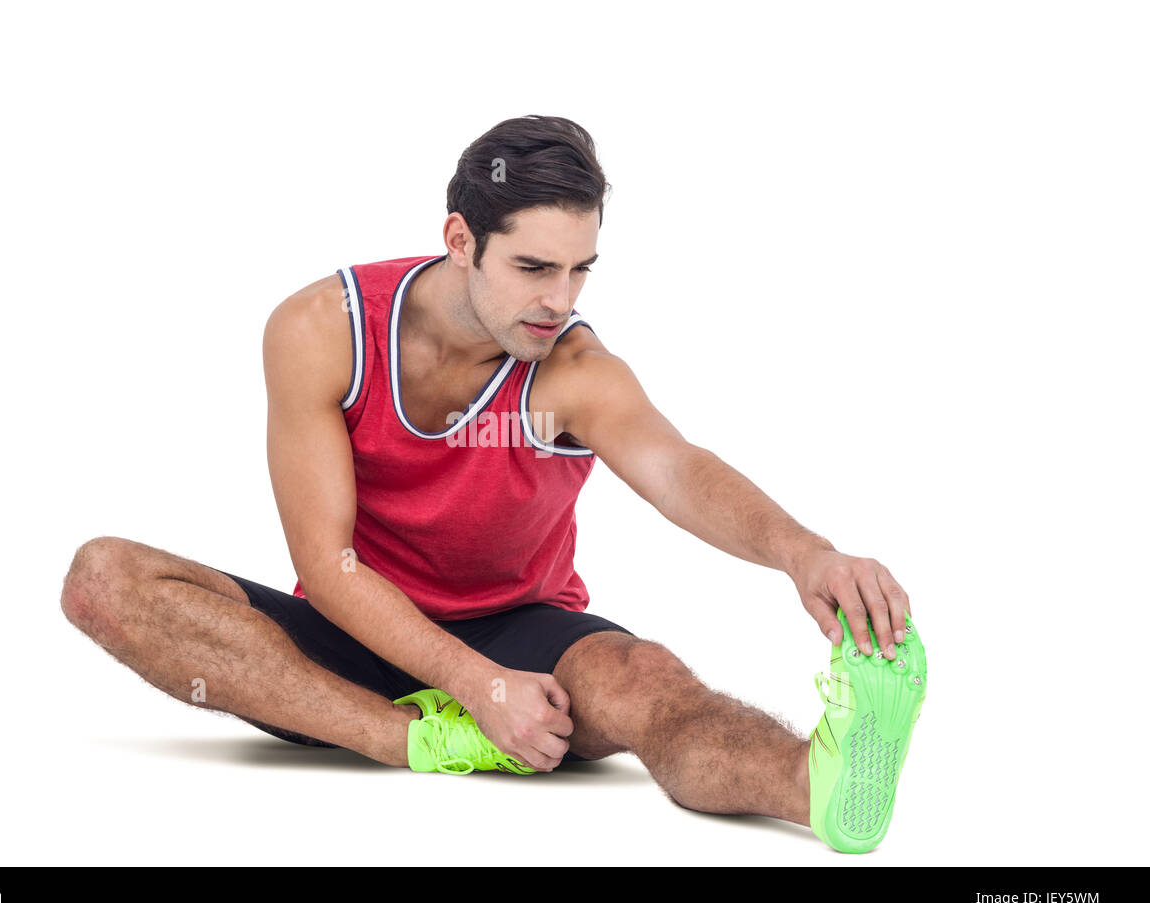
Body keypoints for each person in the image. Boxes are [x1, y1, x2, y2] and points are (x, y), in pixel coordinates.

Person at [59, 114, 927, 853]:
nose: (560, 298)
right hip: (350, 635)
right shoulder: (322, 331)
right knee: (104, 578)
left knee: (650, 682)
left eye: (581, 268)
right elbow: (325, 566)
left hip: (525, 638)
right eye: (533, 268)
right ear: (460, 240)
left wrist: (805, 555)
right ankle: (420, 742)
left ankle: (817, 784)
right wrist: (475, 690)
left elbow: (678, 469)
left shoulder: (576, 373)